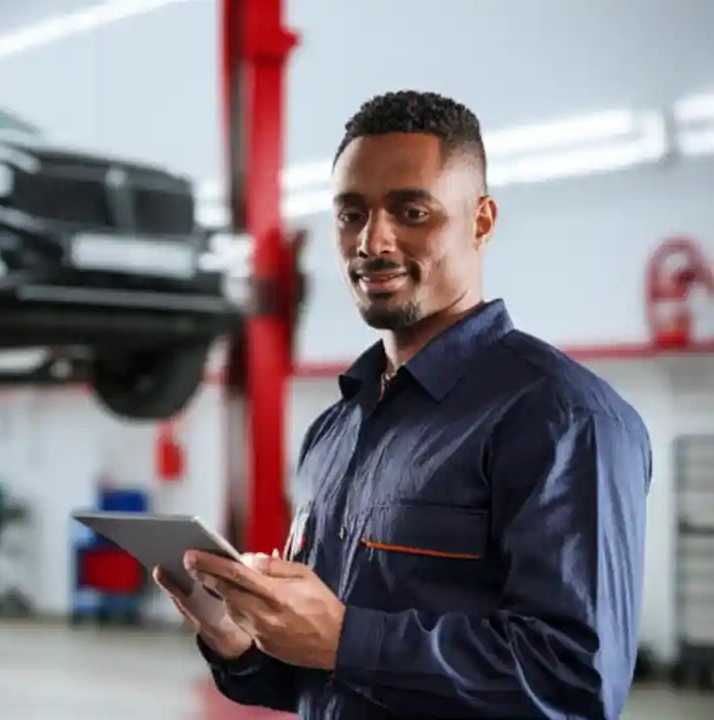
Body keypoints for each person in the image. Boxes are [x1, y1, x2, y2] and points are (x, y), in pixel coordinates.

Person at [154, 90, 652, 719]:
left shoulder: (562, 418)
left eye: (412, 212)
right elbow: (318, 677)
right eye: (351, 214)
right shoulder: (335, 430)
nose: (372, 241)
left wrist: (345, 640)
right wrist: (237, 639)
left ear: (481, 222)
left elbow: (573, 683)